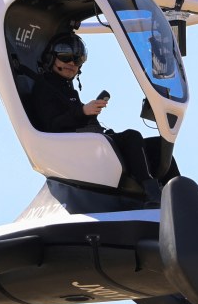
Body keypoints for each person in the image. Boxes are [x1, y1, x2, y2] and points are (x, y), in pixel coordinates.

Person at [29, 33, 161, 202]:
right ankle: (151, 195)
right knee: (131, 137)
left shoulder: (67, 90)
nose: (71, 64)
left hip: (88, 140)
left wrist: (87, 114)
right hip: (75, 149)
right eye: (65, 57)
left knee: (158, 146)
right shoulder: (44, 88)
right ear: (51, 58)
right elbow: (53, 125)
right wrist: (83, 111)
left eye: (76, 60)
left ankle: (176, 192)